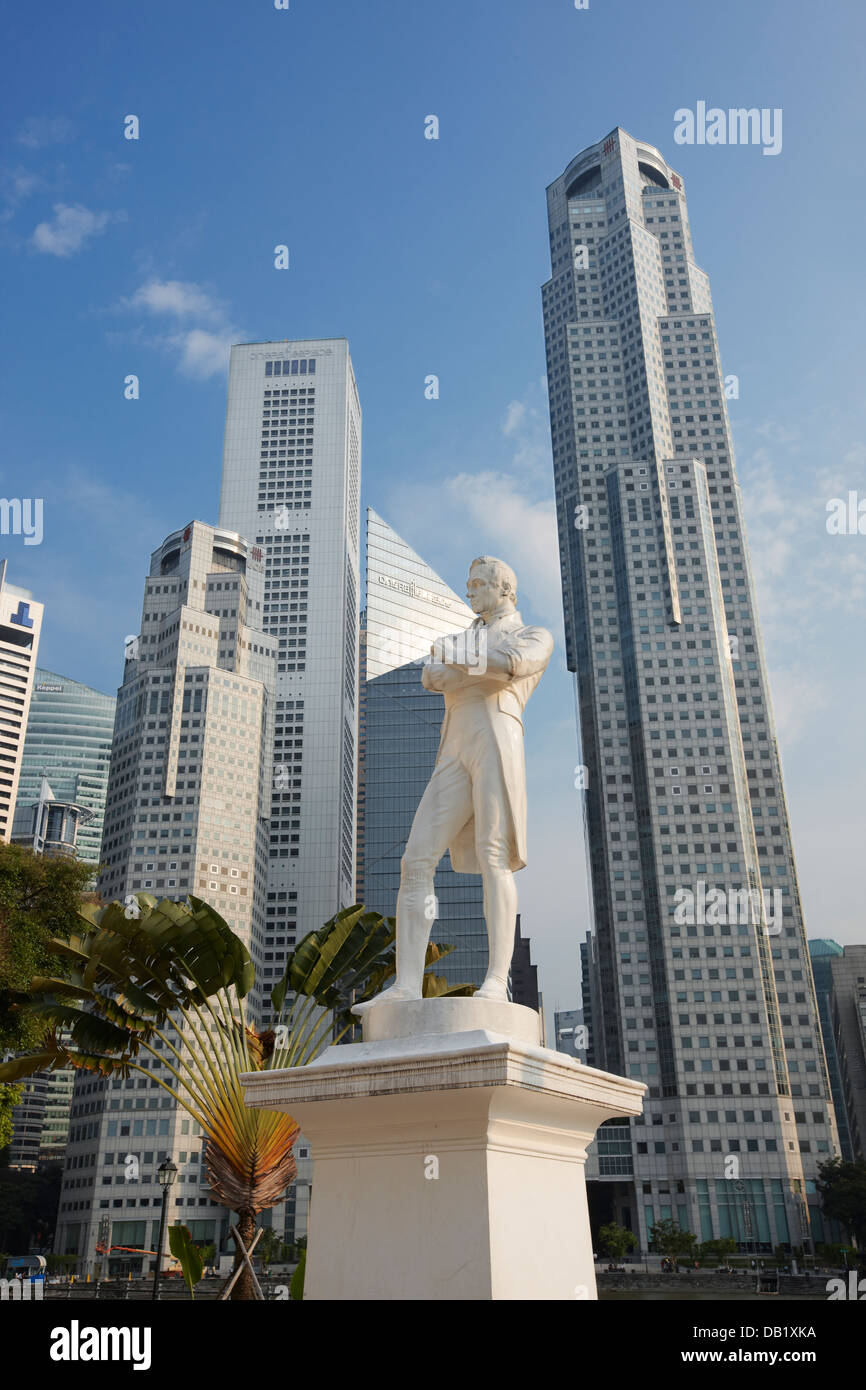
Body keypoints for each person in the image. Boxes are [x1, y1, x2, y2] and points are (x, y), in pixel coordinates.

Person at [354, 556, 553, 1011]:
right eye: (468, 584)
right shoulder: (468, 638)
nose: (470, 592)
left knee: (493, 855)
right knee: (415, 859)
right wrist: (469, 662)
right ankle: (406, 985)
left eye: (479, 584)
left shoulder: (534, 634)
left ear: (505, 589)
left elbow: (513, 664)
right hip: (454, 747)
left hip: (497, 737)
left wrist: (458, 655)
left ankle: (496, 979)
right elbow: (432, 676)